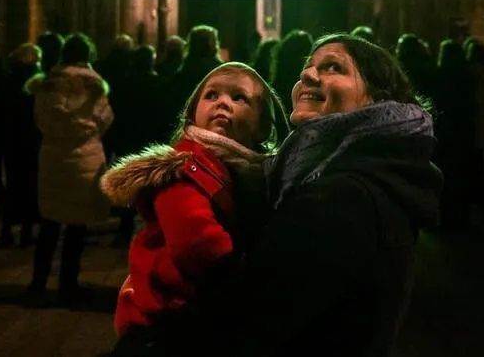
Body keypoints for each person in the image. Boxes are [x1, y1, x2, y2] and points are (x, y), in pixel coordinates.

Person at [122, 34, 443, 357]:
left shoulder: (339, 196)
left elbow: (241, 322)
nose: (307, 75)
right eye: (308, 67)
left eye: (333, 67)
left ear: (376, 98)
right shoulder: (347, 169)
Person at [101, 62, 288, 348]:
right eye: (211, 95)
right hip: (164, 318)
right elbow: (198, 245)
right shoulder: (182, 169)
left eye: (239, 98)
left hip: (198, 314)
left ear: (263, 125)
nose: (223, 103)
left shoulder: (254, 172)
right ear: (193, 112)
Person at [25, 33, 113, 305]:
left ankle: (38, 283)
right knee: (76, 226)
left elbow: (39, 119)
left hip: (52, 156)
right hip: (85, 157)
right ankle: (67, 284)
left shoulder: (46, 86)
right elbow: (105, 120)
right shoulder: (95, 87)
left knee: (50, 223)